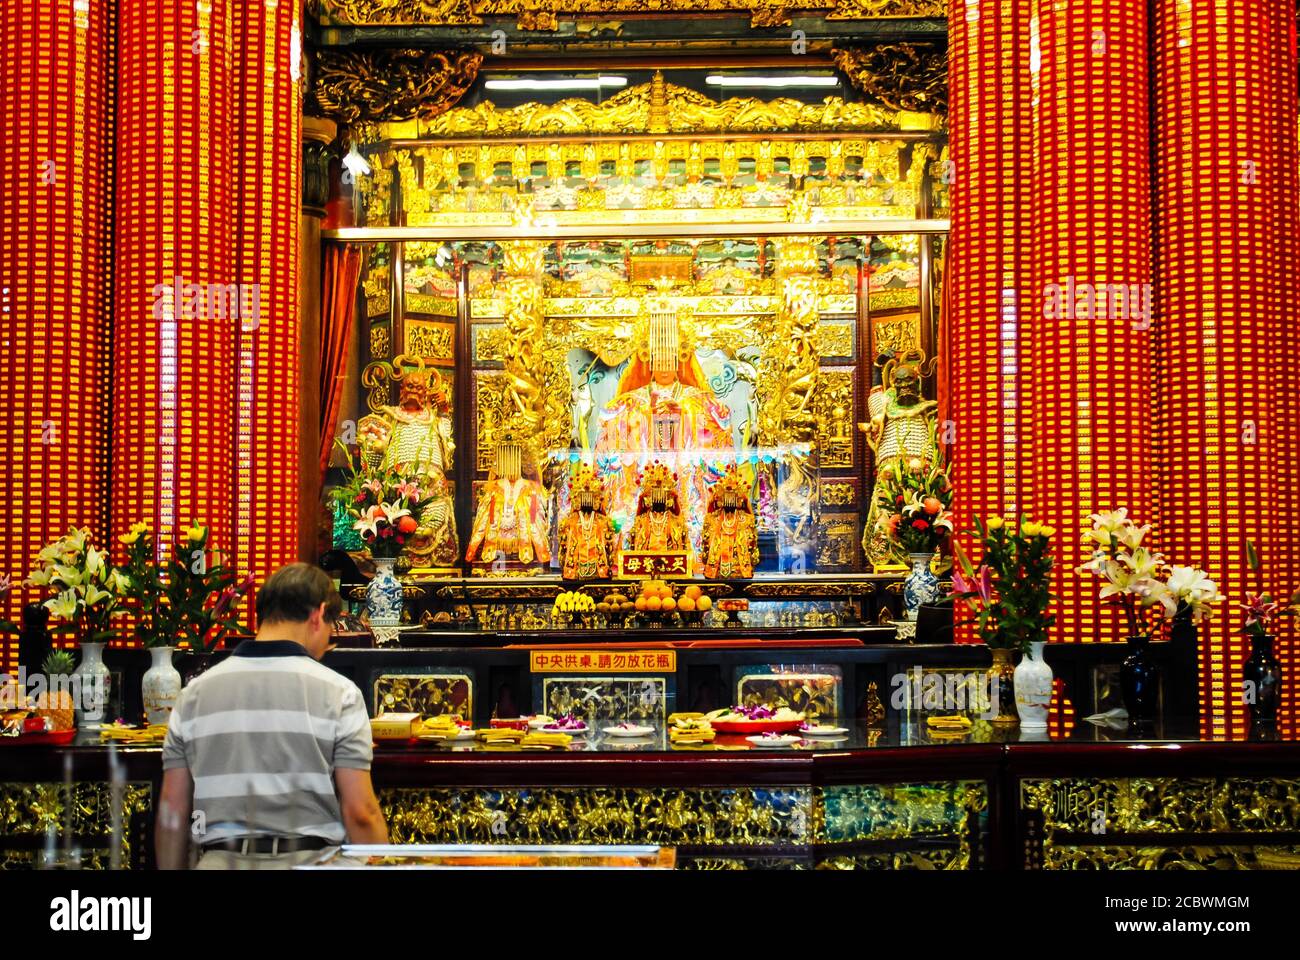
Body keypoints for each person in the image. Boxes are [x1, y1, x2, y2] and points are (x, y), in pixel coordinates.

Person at [155, 563, 388, 869]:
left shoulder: (193, 695)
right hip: (311, 861)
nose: (331, 638)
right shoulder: (339, 693)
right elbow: (360, 813)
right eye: (333, 626)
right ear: (318, 615)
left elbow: (172, 813)